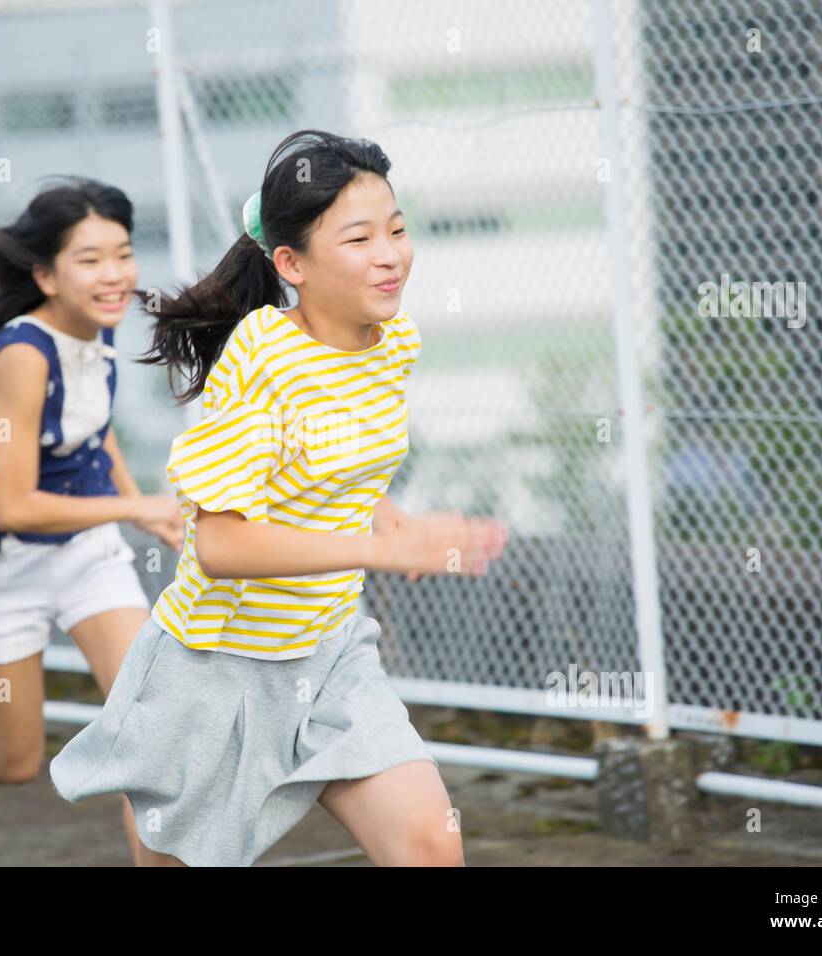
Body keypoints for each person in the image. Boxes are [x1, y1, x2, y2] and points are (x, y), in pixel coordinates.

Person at [49, 131, 506, 866]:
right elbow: (223, 544)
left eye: (396, 229)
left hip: (328, 652)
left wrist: (400, 525)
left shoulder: (391, 342)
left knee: (428, 841)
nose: (390, 255)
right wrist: (383, 550)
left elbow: (341, 476)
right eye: (359, 238)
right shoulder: (261, 359)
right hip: (212, 671)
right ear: (291, 263)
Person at [0, 178, 184, 866]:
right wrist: (136, 506)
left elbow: (91, 432)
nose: (114, 275)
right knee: (14, 756)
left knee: (150, 724)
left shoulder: (97, 332)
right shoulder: (24, 357)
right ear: (45, 275)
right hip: (6, 566)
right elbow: (15, 504)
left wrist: (140, 510)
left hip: (88, 554)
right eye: (90, 259)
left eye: (123, 253)